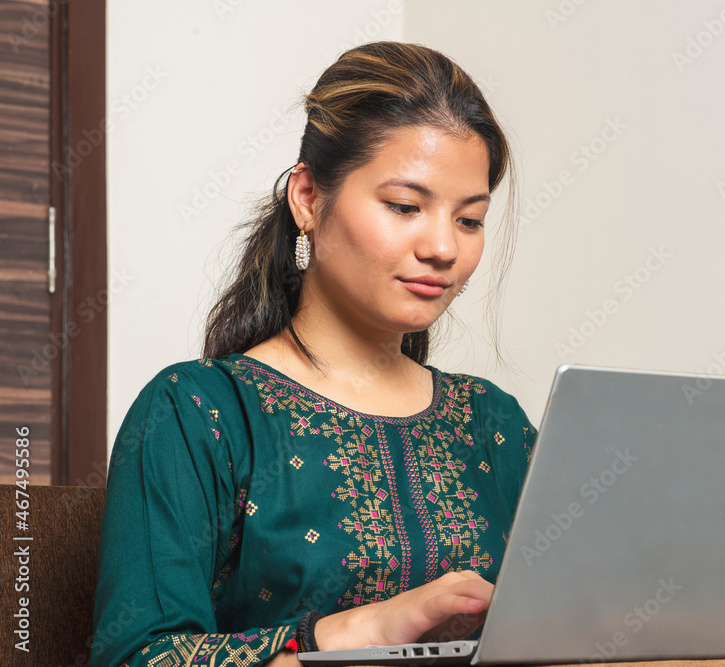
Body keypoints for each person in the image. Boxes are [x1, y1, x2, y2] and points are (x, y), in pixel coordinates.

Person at [91, 41, 536, 667]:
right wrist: (358, 631)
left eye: (469, 220)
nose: (443, 247)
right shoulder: (197, 413)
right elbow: (138, 657)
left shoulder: (493, 422)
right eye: (405, 206)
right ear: (307, 197)